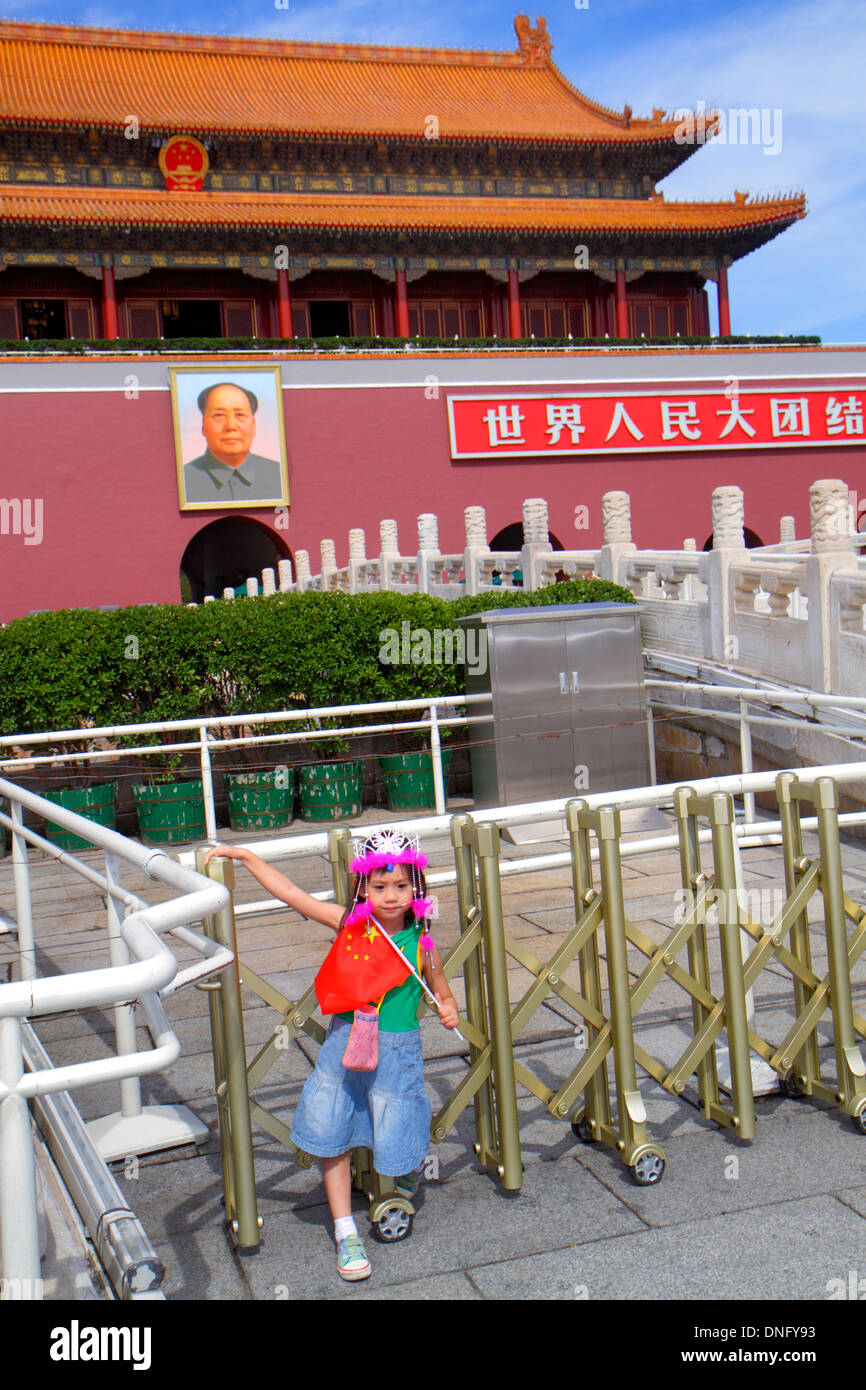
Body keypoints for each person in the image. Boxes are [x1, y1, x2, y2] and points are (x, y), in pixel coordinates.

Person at [203, 827, 459, 1284]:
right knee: (333, 1126)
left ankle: (406, 1171)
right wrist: (246, 856)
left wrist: (447, 1003)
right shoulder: (350, 924)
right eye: (379, 887)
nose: (391, 896)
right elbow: (292, 893)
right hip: (346, 1044)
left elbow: (437, 981)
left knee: (398, 1120)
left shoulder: (422, 938)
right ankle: (344, 1229)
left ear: (416, 886)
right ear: (362, 887)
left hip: (397, 1049)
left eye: (401, 886)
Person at [183, 381, 285, 504]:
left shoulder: (280, 476)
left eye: (240, 415)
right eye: (219, 415)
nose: (231, 426)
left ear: (254, 425)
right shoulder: (183, 480)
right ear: (203, 426)